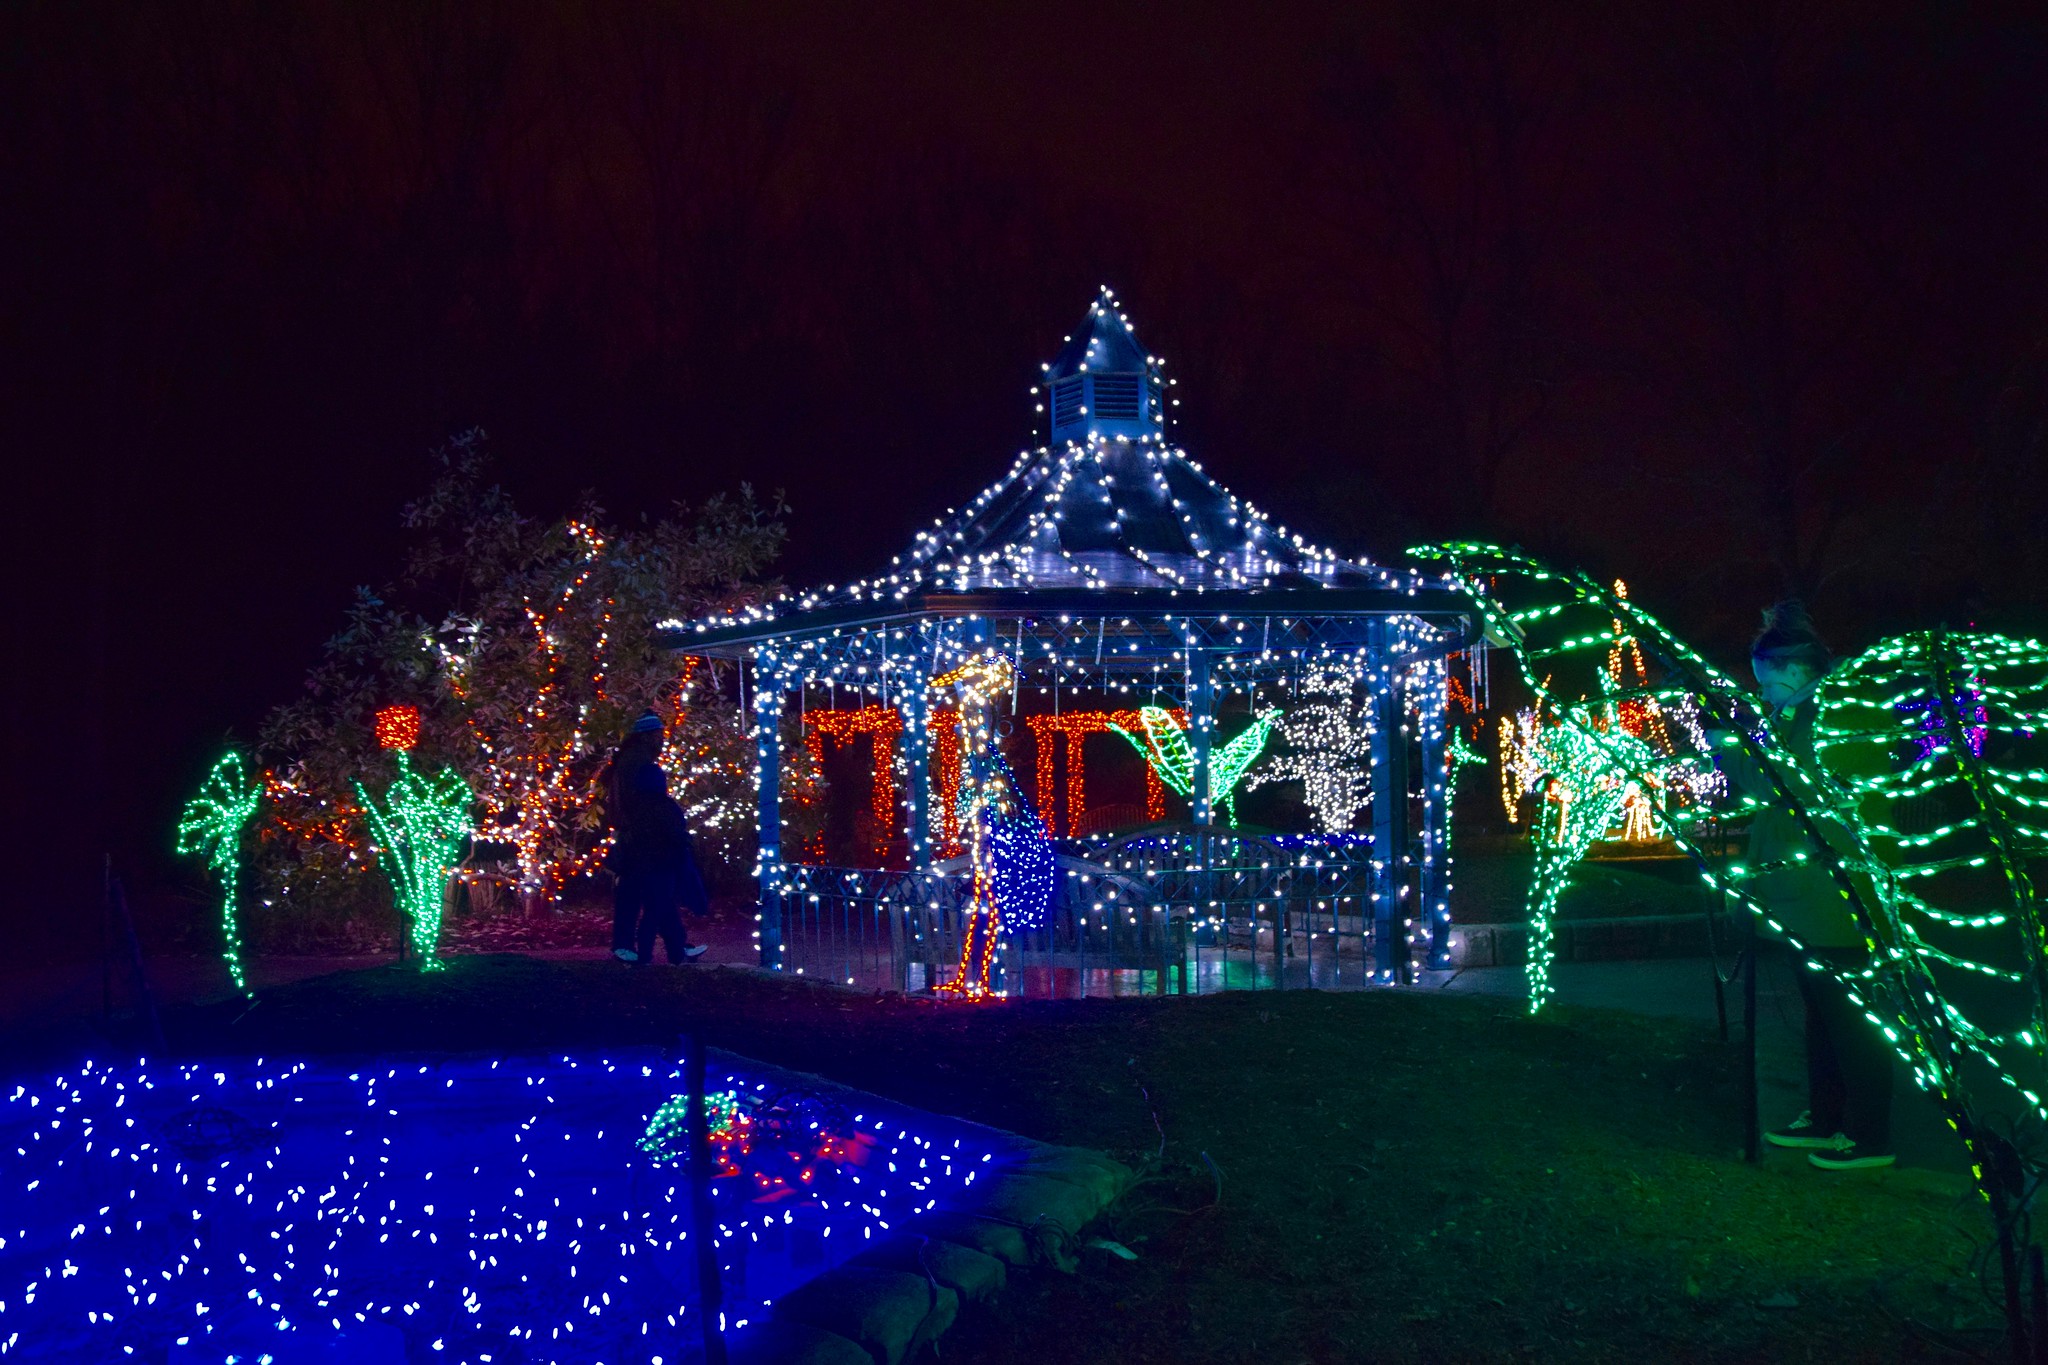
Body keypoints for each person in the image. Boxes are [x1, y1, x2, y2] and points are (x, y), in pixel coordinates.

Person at [1718, 601, 1894, 1170]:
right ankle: (1826, 1116)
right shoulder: (1798, 719)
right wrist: (1729, 740)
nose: (1763, 692)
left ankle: (1869, 1135)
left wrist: (1741, 741)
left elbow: (1790, 788)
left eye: (1767, 681)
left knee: (1852, 1022)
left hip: (1836, 898)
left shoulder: (1841, 718)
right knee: (1823, 1017)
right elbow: (1763, 784)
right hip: (1807, 898)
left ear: (1795, 673)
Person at [604, 711, 711, 965]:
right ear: (647, 736)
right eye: (658, 735)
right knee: (648, 896)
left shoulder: (630, 761)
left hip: (637, 838)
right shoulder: (640, 767)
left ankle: (672, 946)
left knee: (650, 896)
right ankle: (637, 948)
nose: (661, 739)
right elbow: (638, 805)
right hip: (642, 841)